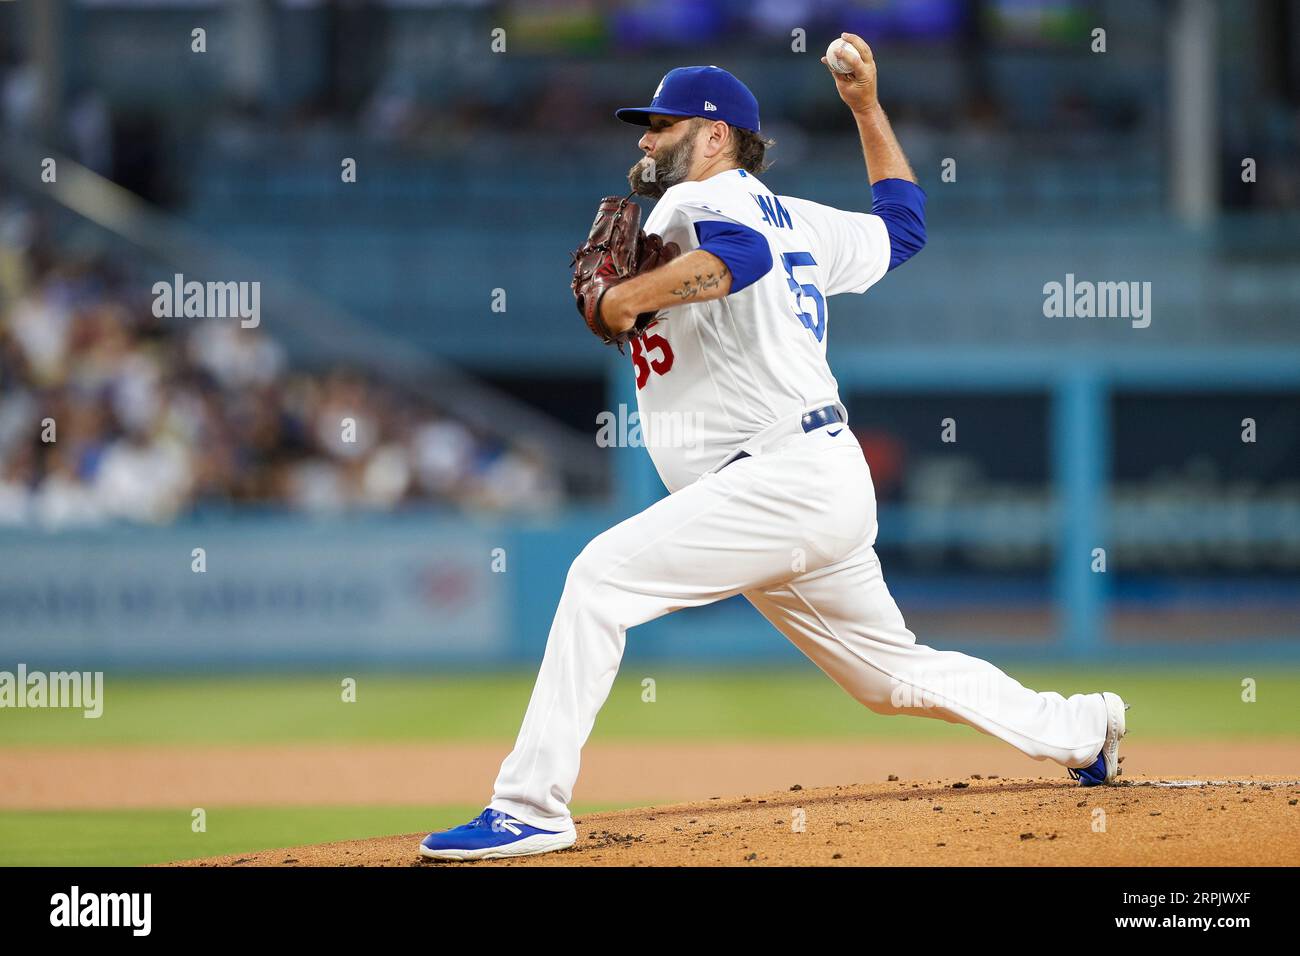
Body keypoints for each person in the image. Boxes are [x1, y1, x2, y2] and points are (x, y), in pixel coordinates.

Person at [420, 34, 1126, 862]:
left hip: (780, 477)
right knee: (890, 678)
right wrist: (865, 107)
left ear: (714, 137)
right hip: (809, 480)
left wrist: (621, 301)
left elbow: (742, 258)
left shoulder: (689, 206)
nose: (644, 140)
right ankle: (1082, 728)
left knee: (597, 580)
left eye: (661, 125)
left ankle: (530, 805)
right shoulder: (803, 220)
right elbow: (903, 227)